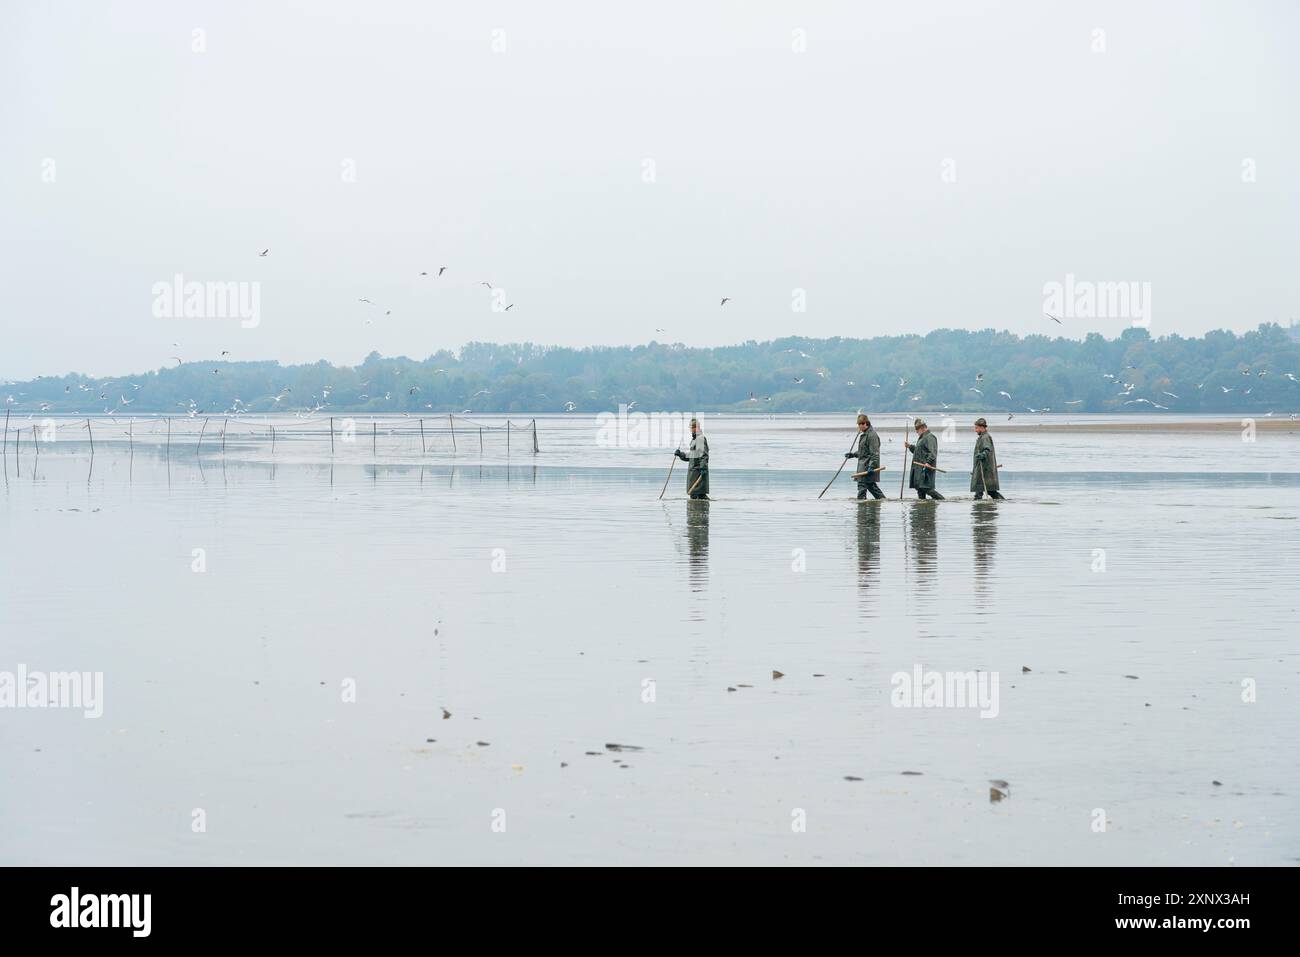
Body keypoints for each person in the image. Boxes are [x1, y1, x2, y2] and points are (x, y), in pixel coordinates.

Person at [844, 413, 884, 499]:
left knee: (862, 488)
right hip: (862, 467)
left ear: (866, 423)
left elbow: (875, 453)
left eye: (862, 424)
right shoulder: (864, 434)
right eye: (859, 424)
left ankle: (861, 509)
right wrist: (853, 455)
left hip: (867, 468)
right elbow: (864, 451)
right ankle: (882, 501)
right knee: (872, 488)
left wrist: (871, 466)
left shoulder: (872, 435)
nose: (860, 426)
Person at [905, 418, 944, 500]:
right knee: (920, 488)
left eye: (917, 429)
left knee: (927, 488)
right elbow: (918, 452)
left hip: (925, 468)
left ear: (922, 428)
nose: (916, 432)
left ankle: (942, 500)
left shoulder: (930, 437)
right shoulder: (922, 438)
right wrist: (910, 446)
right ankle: (921, 508)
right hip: (918, 469)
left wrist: (928, 463)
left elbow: (932, 453)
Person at [675, 418, 709, 499]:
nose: (690, 430)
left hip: (698, 472)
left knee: (699, 495)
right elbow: (692, 455)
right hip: (693, 472)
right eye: (690, 427)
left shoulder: (700, 438)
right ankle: (699, 510)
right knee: (695, 495)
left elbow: (704, 455)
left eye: (691, 427)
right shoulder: (694, 439)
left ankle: (701, 511)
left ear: (696, 428)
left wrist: (703, 467)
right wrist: (681, 454)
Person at [971, 417, 1004, 499]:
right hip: (982, 468)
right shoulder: (982, 437)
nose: (975, 430)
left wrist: (982, 455)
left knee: (981, 491)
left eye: (976, 428)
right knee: (990, 491)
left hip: (985, 469)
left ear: (982, 427)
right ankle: (1002, 503)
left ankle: (977, 508)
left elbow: (987, 450)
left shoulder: (985, 437)